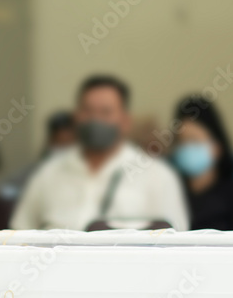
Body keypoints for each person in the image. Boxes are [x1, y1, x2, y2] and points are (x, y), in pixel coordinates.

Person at [11, 75, 189, 231]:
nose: (95, 120)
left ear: (125, 121)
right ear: (76, 117)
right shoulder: (49, 173)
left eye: (105, 112)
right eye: (87, 111)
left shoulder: (157, 176)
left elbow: (176, 244)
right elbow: (19, 233)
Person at [168, 96, 233, 230]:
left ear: (216, 147)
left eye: (194, 140)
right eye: (181, 141)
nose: (187, 148)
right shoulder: (171, 192)